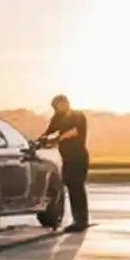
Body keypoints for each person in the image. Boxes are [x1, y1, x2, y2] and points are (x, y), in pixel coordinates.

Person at [38, 94, 89, 232]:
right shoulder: (57, 118)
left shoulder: (78, 116)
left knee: (77, 187)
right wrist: (42, 139)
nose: (56, 109)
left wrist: (57, 139)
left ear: (65, 103)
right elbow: (49, 131)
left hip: (79, 157)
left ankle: (81, 221)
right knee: (70, 187)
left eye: (57, 105)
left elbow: (74, 132)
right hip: (66, 158)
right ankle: (76, 219)